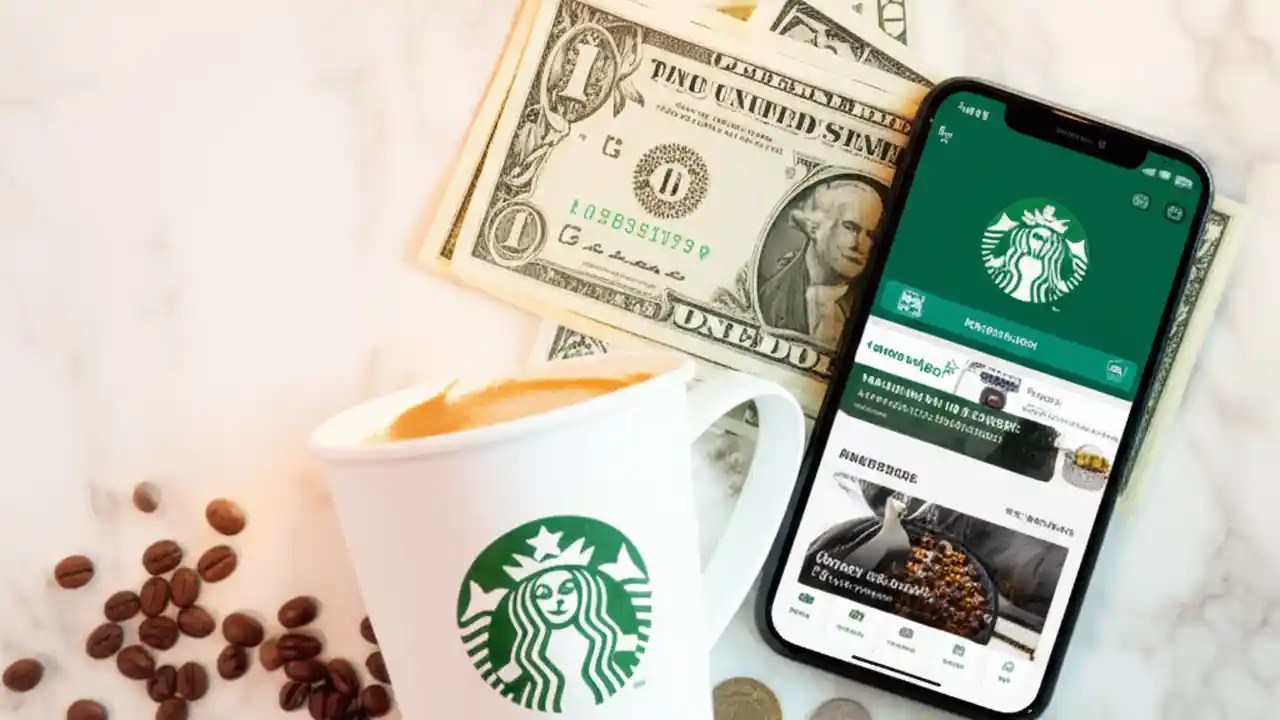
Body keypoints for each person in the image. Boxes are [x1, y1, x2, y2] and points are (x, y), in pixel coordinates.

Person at [759, 178, 883, 347]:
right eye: (851, 228)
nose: (860, 245)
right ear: (814, 228)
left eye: (870, 235)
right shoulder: (769, 297)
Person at [494, 566, 637, 711]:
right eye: (543, 594)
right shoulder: (527, 651)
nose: (557, 600)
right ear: (530, 603)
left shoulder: (606, 636)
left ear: (584, 593)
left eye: (567, 589)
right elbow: (502, 680)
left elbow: (635, 653)